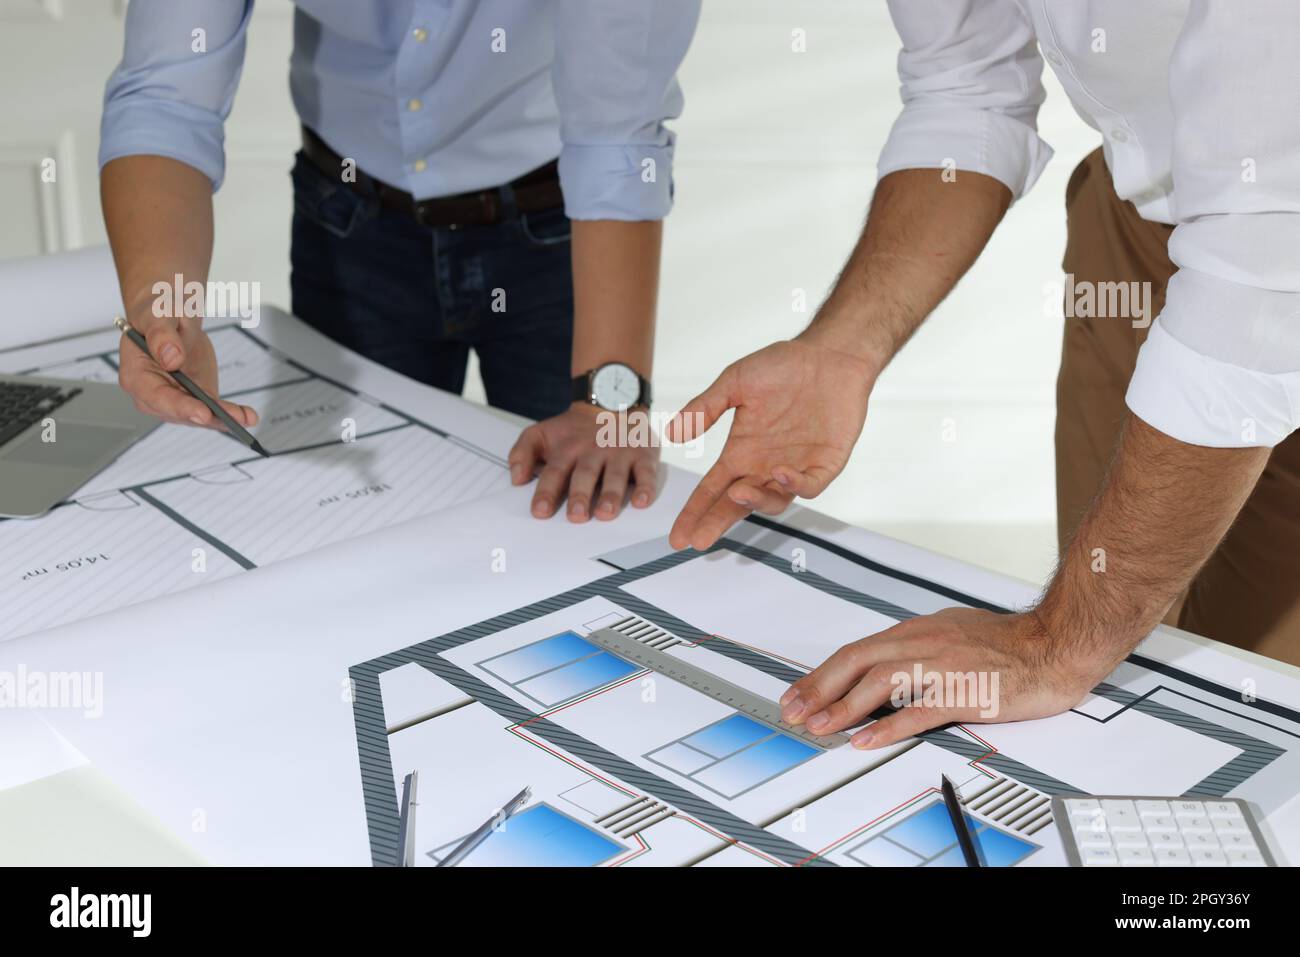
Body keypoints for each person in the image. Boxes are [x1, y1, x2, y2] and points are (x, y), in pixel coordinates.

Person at [667, 0, 1300, 748]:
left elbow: (1260, 267)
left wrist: (1055, 641)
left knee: (1253, 692)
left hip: (1272, 233)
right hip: (1135, 217)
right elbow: (966, 88)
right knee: (1105, 657)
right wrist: (842, 345)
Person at [101, 0, 699, 524]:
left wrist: (612, 401)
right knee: (348, 511)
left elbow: (617, 136)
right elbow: (167, 98)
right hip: (348, 214)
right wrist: (162, 307)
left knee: (577, 511)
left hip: (561, 227)